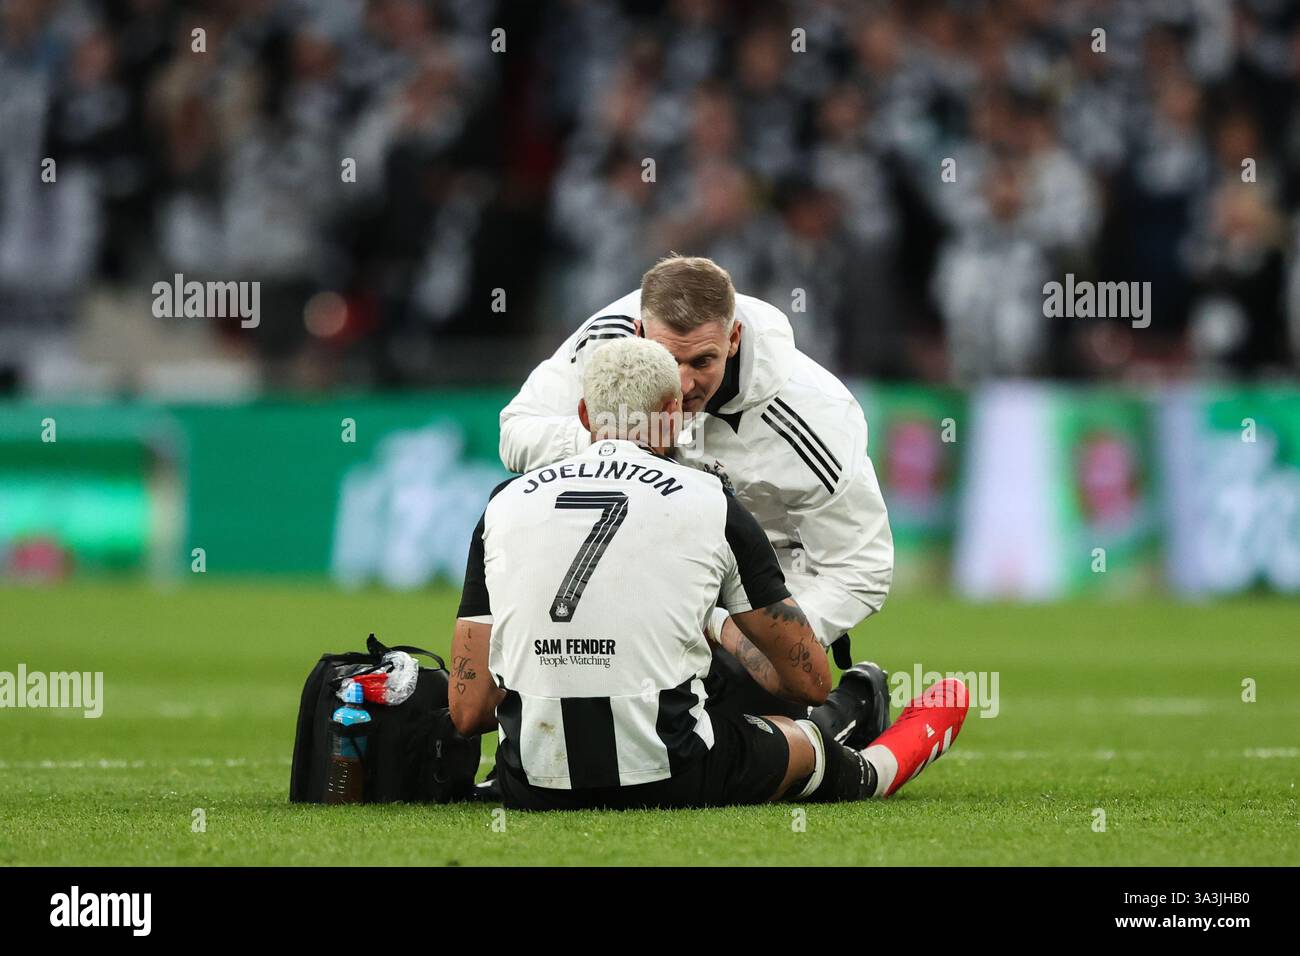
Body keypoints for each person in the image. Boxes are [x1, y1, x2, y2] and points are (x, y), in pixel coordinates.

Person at [450, 337, 967, 809]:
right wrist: (716, 624)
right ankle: (875, 767)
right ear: (674, 413)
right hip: (676, 774)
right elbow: (808, 679)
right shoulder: (711, 500)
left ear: (584, 414)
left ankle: (850, 711)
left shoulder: (503, 504)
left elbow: (468, 712)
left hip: (532, 782)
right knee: (796, 740)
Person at [498, 255, 894, 748]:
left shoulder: (816, 417)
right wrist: (621, 440)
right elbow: (517, 432)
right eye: (669, 359)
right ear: (640, 333)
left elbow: (863, 567)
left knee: (726, 723)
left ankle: (848, 708)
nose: (684, 385)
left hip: (758, 590)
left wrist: (761, 639)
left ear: (734, 338)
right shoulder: (608, 341)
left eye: (703, 362)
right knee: (581, 681)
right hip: (644, 570)